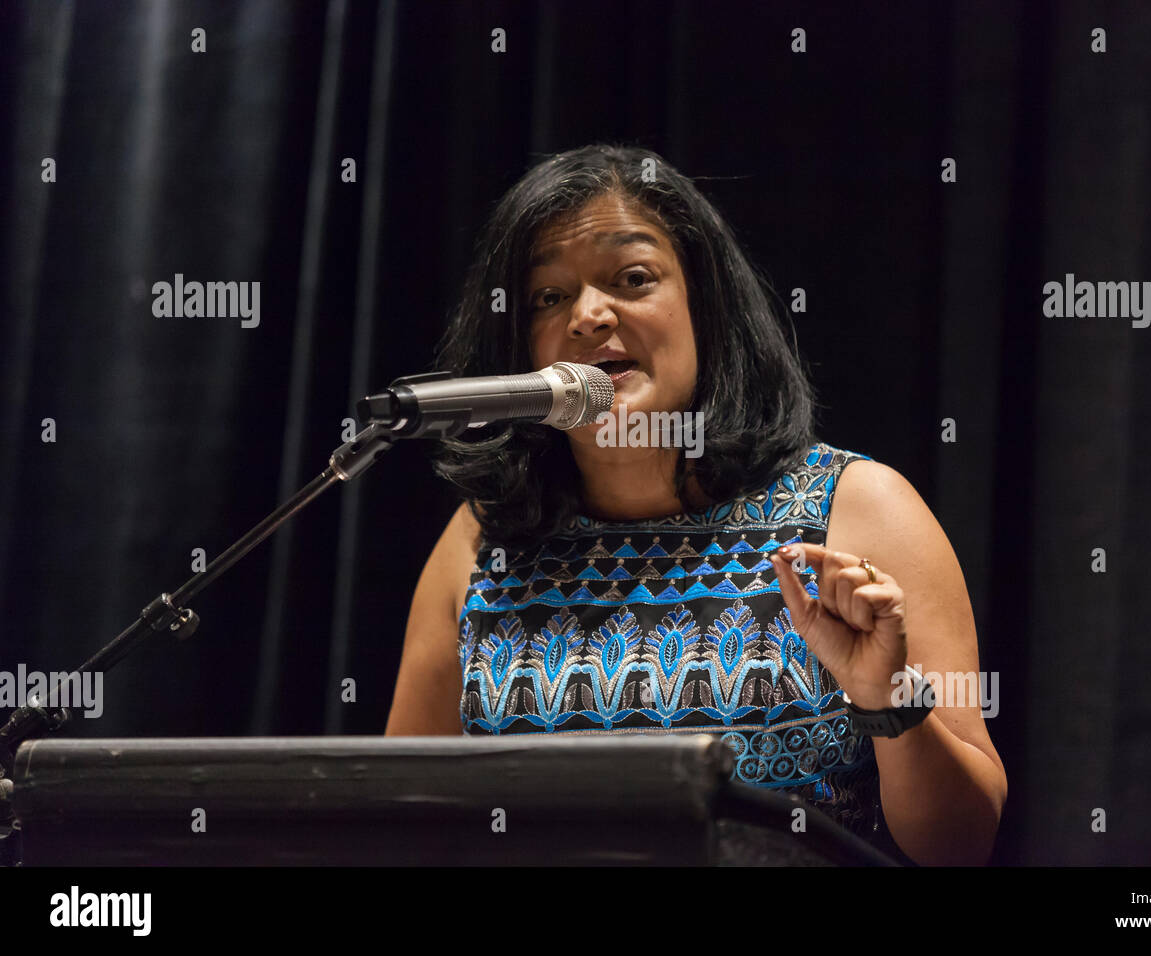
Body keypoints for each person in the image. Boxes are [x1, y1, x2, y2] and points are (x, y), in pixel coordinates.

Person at [385, 144, 1007, 865]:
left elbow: (961, 844)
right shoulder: (483, 540)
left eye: (633, 278)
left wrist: (886, 698)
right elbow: (407, 821)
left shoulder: (857, 509)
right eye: (547, 297)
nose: (588, 315)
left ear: (706, 307)